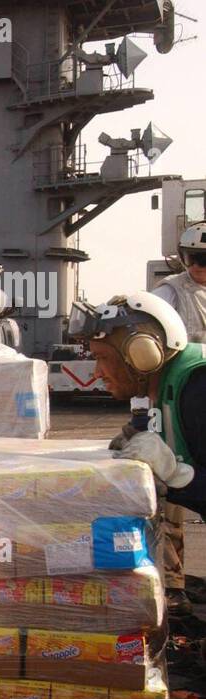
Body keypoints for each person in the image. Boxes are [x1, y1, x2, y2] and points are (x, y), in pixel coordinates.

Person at [70, 291, 206, 626]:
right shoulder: (167, 388)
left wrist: (175, 474)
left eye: (103, 358)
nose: (98, 372)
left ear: (142, 353)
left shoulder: (199, 388)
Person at [150, 222, 206, 606]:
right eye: (196, 260)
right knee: (171, 492)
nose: (202, 267)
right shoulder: (168, 293)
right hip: (179, 398)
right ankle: (172, 585)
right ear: (184, 258)